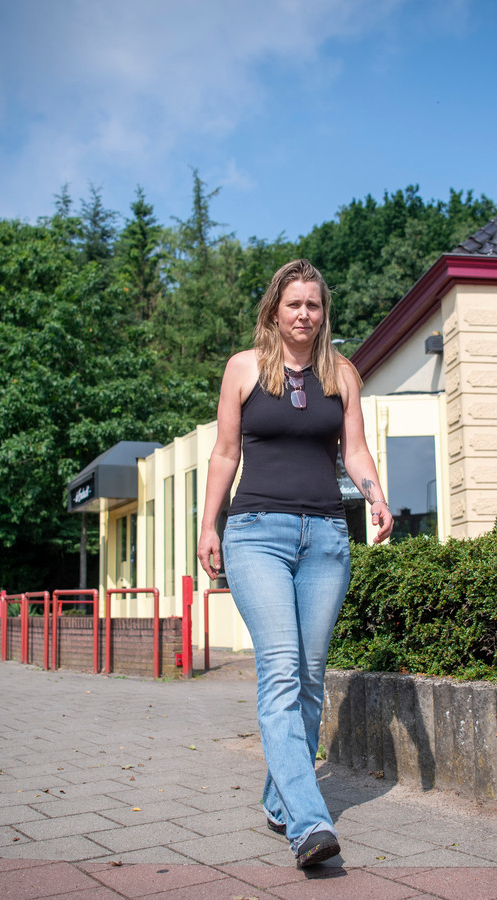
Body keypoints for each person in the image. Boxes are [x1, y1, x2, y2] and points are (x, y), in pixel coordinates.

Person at [197, 259, 393, 868]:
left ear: (322, 311)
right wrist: (209, 524)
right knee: (282, 670)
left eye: (313, 304)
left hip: (327, 539)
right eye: (294, 304)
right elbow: (225, 453)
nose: (304, 314)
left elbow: (354, 450)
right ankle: (310, 824)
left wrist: (376, 496)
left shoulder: (342, 373)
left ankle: (279, 797)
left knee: (309, 679)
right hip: (256, 534)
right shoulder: (244, 368)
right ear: (274, 311)